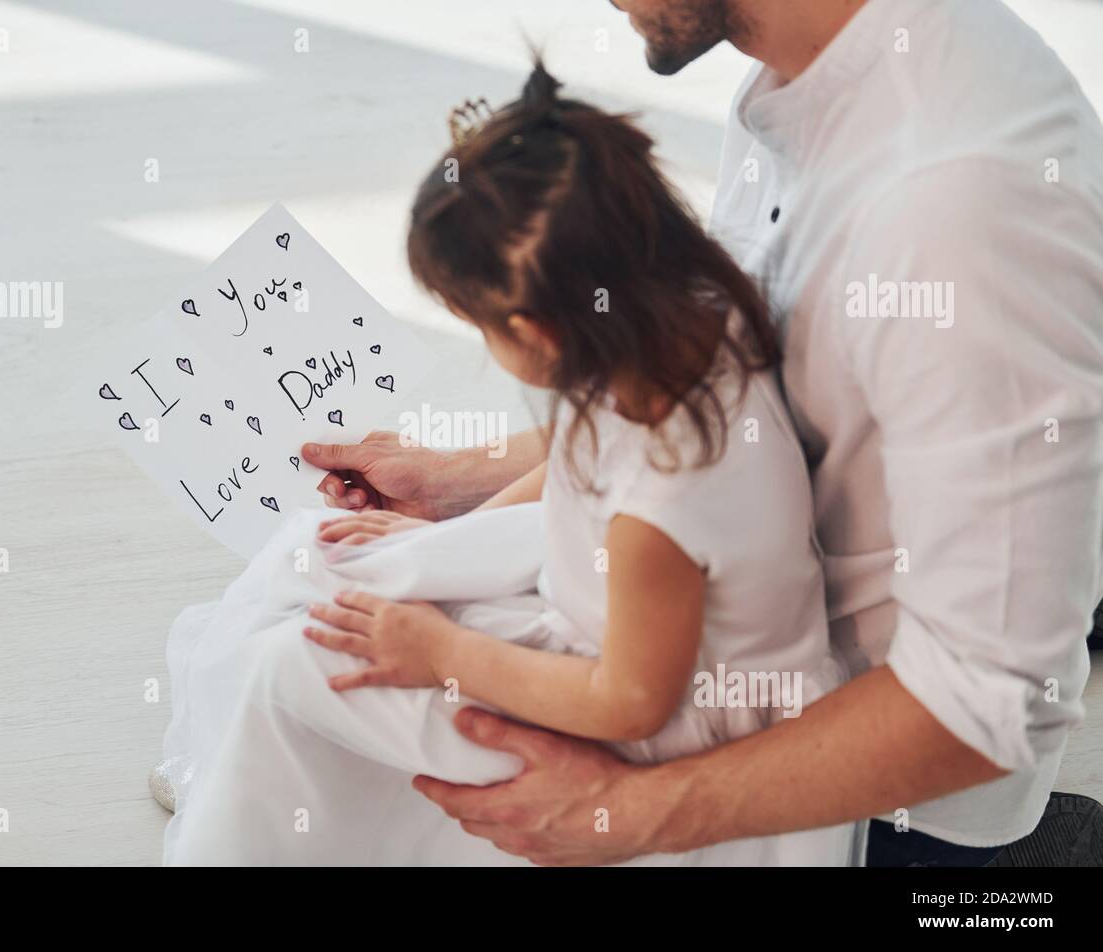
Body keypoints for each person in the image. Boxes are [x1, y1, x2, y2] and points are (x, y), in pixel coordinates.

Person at [302, 0, 1103, 866]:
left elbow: (990, 705)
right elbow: (698, 387)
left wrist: (621, 812)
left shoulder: (958, 212)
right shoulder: (795, 80)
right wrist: (464, 487)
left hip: (875, 797)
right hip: (721, 655)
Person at [157, 62, 854, 866]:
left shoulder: (663, 497)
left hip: (667, 726)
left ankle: (250, 819)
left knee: (293, 668)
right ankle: (244, 784)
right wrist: (432, 547)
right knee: (325, 558)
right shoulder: (680, 319)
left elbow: (629, 700)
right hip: (610, 627)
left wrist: (442, 654)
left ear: (537, 331)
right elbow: (582, 454)